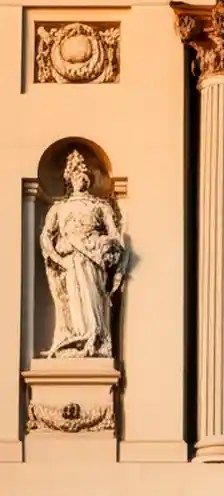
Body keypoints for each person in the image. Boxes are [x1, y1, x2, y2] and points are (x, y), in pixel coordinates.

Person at [39, 150, 127, 358]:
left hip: (93, 260)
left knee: (93, 298)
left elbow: (115, 236)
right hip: (69, 261)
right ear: (69, 179)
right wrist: (57, 258)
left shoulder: (101, 206)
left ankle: (95, 338)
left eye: (85, 176)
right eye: (77, 175)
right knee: (73, 300)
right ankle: (76, 337)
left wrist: (106, 247)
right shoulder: (59, 208)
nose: (81, 179)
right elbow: (46, 236)